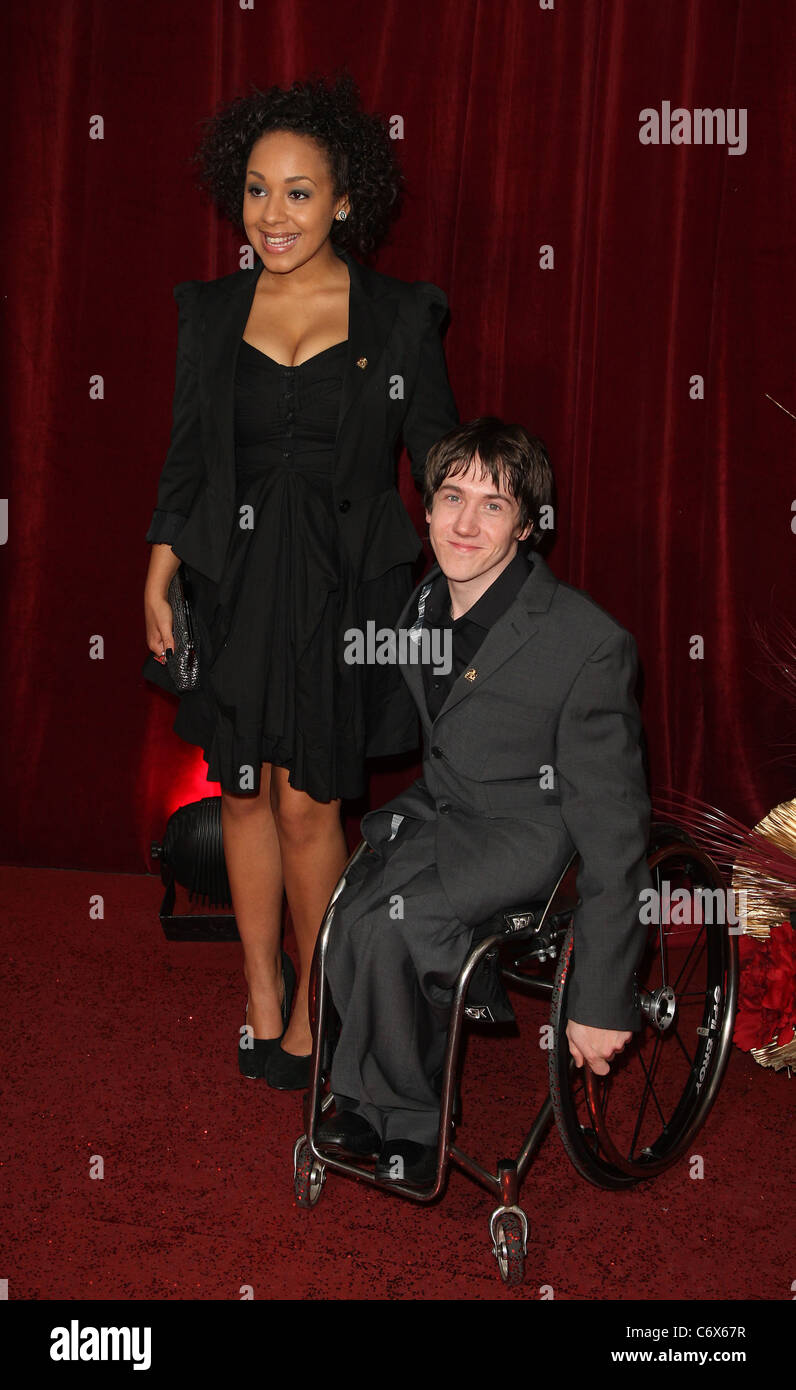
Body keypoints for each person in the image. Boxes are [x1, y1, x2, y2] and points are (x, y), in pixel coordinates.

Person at [142, 73, 458, 1090]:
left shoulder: (400, 318)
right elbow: (188, 459)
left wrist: (479, 567)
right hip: (232, 579)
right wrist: (157, 569)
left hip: (342, 587)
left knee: (311, 805)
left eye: (298, 193)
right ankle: (260, 991)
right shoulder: (209, 312)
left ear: (345, 199)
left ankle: (322, 1006)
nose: (271, 215)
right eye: (256, 190)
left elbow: (440, 458)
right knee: (241, 795)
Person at [317, 417, 653, 1186]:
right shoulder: (424, 606)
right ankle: (364, 1099)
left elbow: (615, 829)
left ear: (528, 525)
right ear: (427, 508)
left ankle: (405, 1120)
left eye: (493, 506)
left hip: (531, 832)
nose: (465, 522)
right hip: (446, 810)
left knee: (404, 929)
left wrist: (602, 997)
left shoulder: (588, 643)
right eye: (451, 497)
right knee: (350, 919)